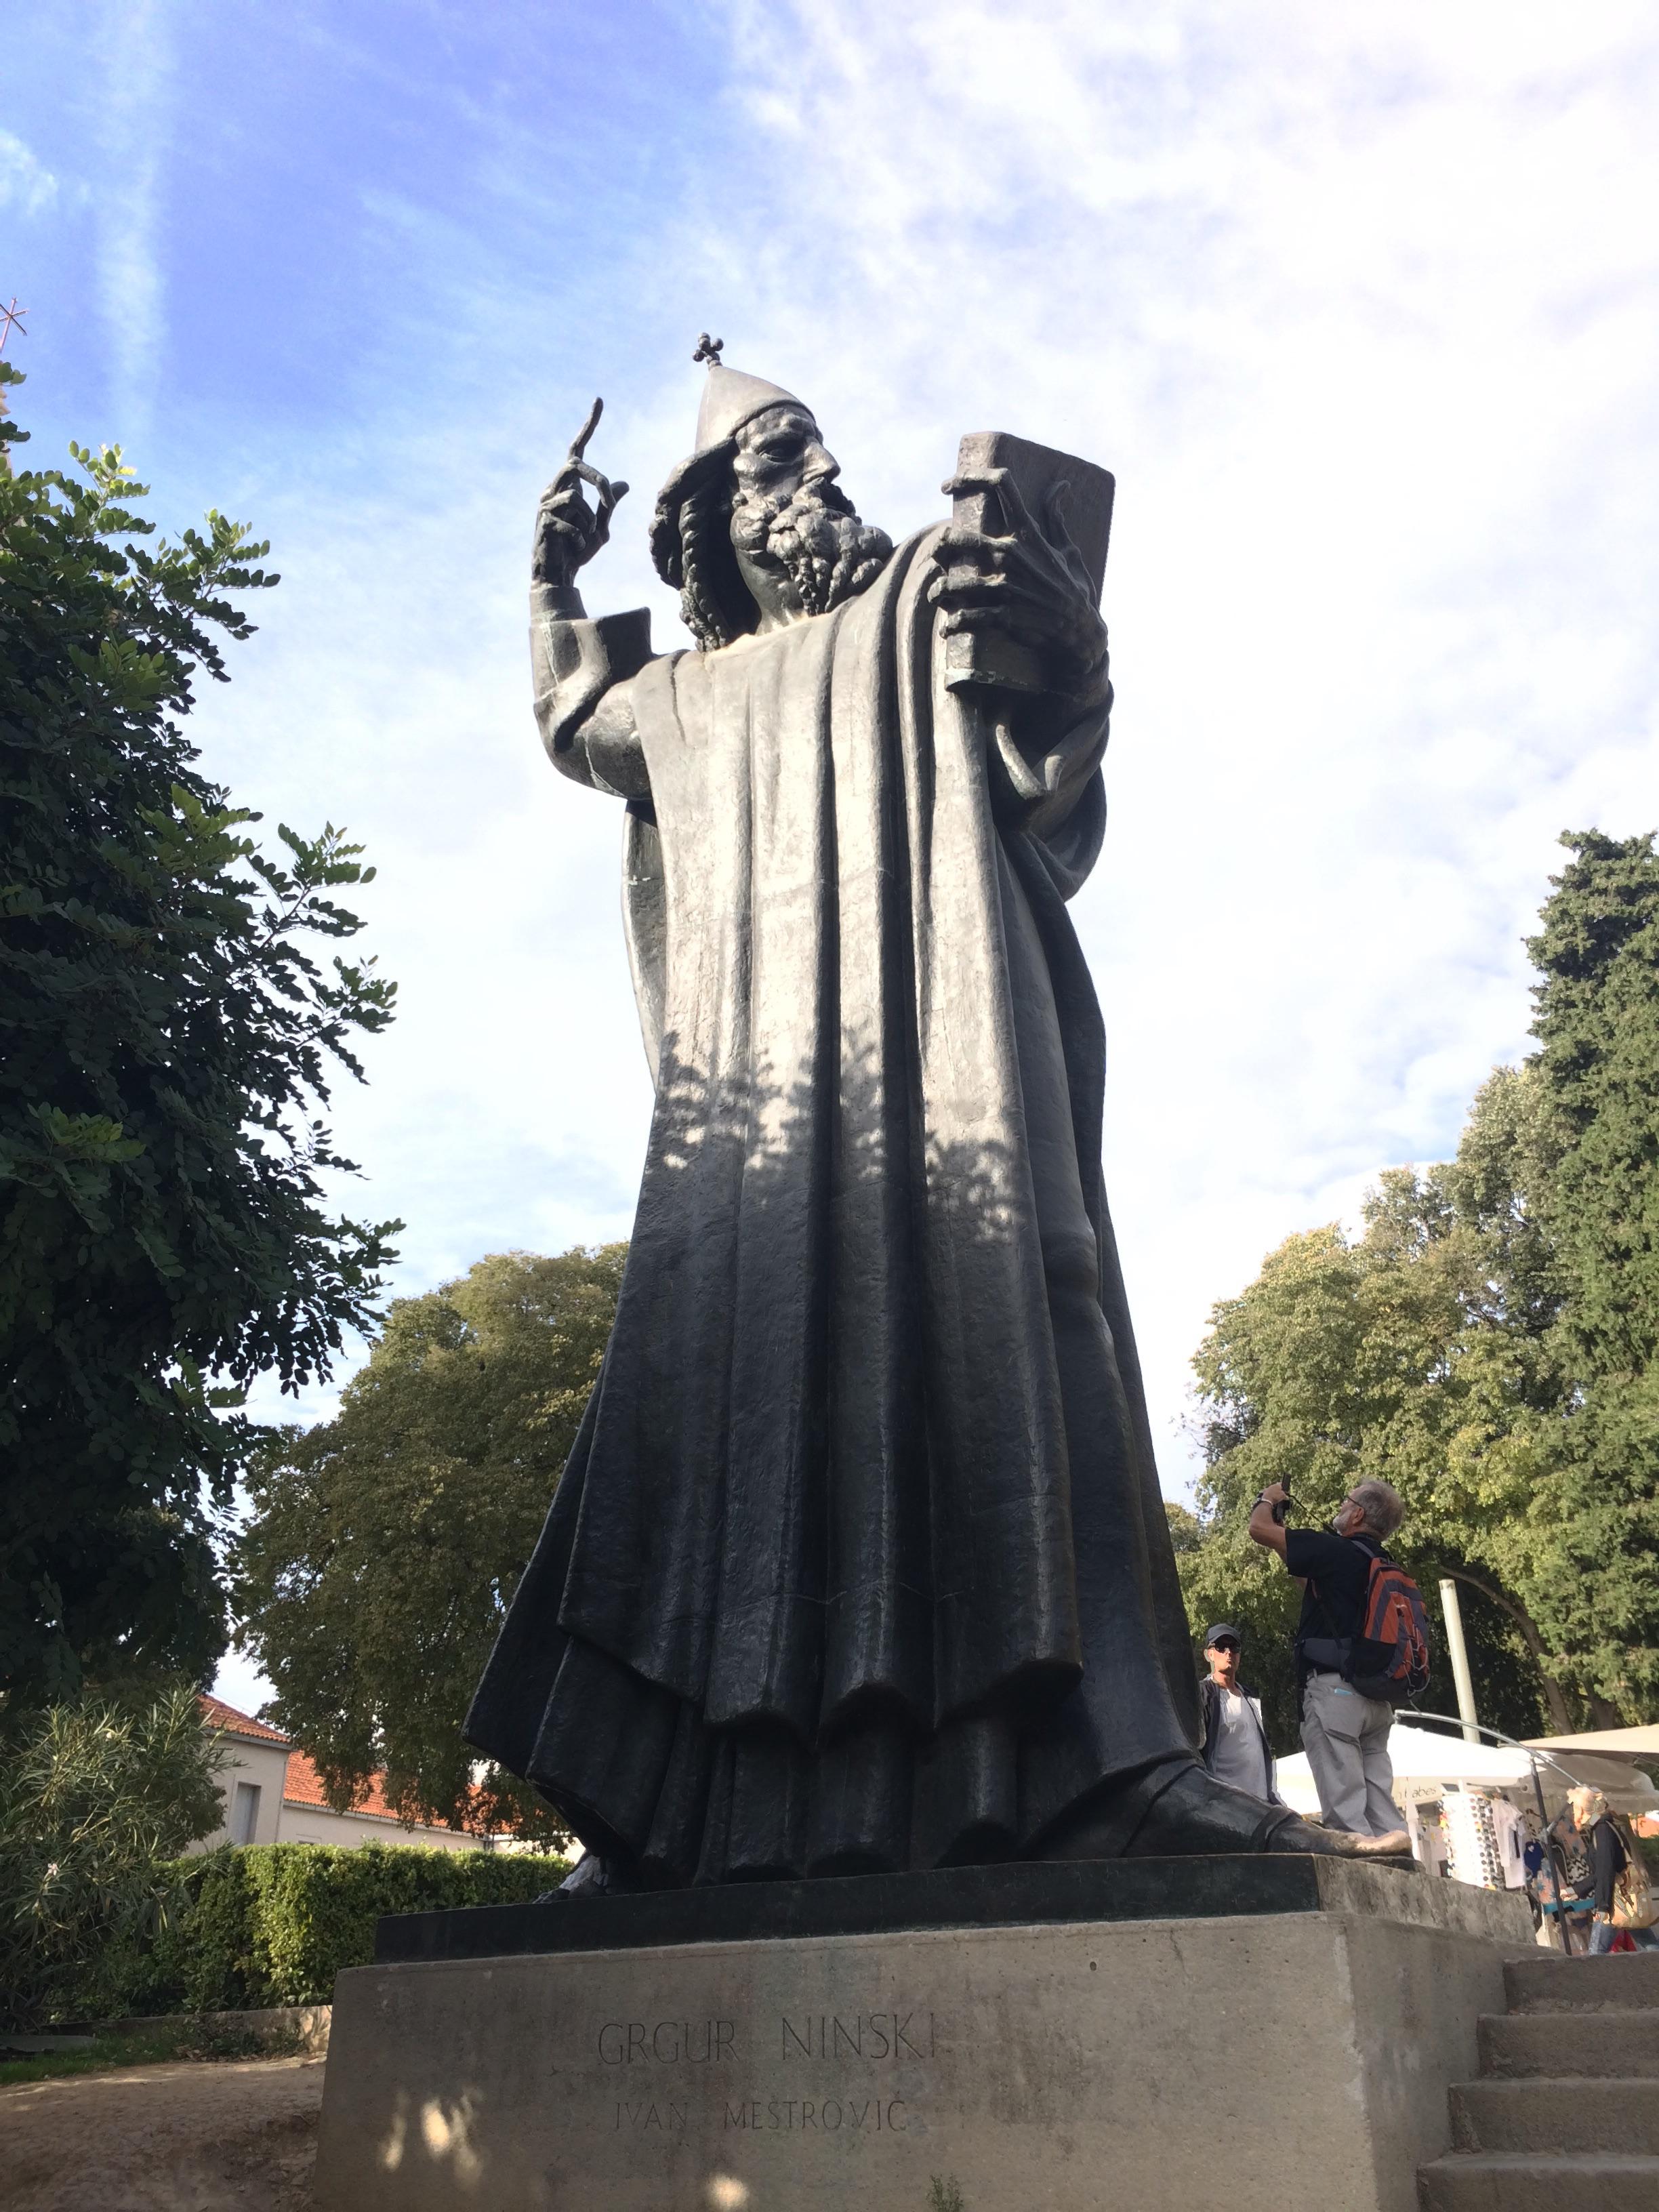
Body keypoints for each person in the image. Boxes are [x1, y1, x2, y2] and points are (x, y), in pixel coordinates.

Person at [466, 352, 1408, 1888]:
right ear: (711, 525)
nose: (823, 485)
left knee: (1022, 1348)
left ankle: (1104, 1770)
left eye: (822, 455)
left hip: (956, 1074)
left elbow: (1038, 735)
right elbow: (579, 719)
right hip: (764, 1141)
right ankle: (685, 1808)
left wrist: (1063, 652)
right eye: (779, 464)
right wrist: (545, 578)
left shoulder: (919, 602)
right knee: (729, 1411)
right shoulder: (688, 703)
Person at [1248, 1479, 1411, 1850]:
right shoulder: (1381, 1564)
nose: (1341, 1503)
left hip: (1334, 1695)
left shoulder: (1337, 1551)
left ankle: (1361, 1878)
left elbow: (1259, 1529)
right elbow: (1310, 1579)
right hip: (1377, 1698)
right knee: (1380, 1806)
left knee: (1345, 1815)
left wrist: (1267, 1499)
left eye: (1346, 1499)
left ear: (1358, 1513)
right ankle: (1401, 1861)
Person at [1571, 1786, 1659, 1954]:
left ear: (1584, 1810)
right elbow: (1604, 1871)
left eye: (1575, 1809)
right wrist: (1575, 1890)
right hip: (1623, 1900)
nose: (1573, 1815)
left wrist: (1602, 1908)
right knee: (1651, 1945)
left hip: (1613, 1902)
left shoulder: (1602, 1830)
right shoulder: (1604, 1827)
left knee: (1595, 1956)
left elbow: (1605, 1872)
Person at [1198, 1625, 1279, 1803]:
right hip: (1227, 1804)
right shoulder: (1204, 1695)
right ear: (1209, 1654)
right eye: (1221, 1647)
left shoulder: (1251, 1698)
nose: (1228, 1653)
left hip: (1262, 1802)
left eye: (1234, 1648)